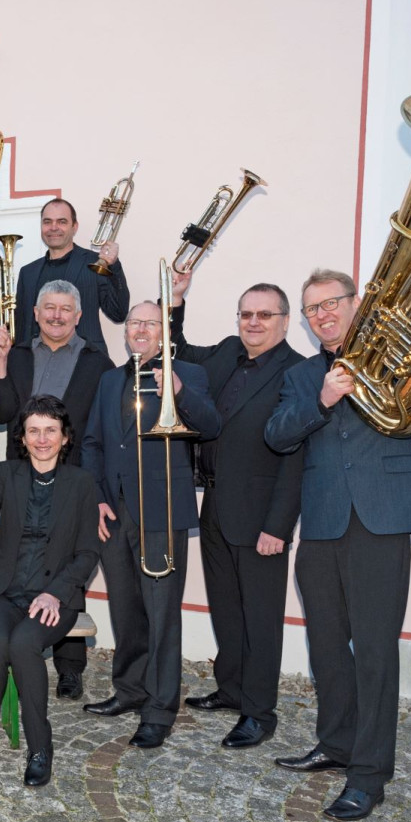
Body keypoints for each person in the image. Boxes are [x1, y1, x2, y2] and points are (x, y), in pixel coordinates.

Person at [265, 269, 411, 821]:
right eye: (311, 309)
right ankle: (337, 743)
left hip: (382, 517)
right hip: (321, 523)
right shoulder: (300, 376)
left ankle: (368, 775)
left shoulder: (397, 356)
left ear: (357, 303)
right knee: (325, 647)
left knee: (373, 651)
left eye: (330, 304)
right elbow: (277, 434)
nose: (321, 315)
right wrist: (320, 400)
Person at [166, 274, 305, 749]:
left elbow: (296, 458)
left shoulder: (299, 371)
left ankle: (259, 712)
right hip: (217, 506)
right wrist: (177, 299)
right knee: (226, 606)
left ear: (284, 323)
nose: (253, 322)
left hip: (262, 515)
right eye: (246, 313)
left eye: (264, 315)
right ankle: (231, 689)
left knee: (261, 617)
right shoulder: (227, 352)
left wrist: (278, 526)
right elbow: (177, 348)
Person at [81, 301, 220, 748]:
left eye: (150, 323)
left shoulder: (188, 375)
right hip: (115, 513)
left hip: (161, 513)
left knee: (162, 614)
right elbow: (91, 443)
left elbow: (211, 425)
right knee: (125, 608)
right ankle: (130, 690)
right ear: (126, 332)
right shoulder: (108, 380)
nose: (140, 329)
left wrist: (177, 389)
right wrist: (99, 500)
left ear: (165, 332)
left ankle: (160, 709)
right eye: (135, 322)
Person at [0, 279, 115, 700]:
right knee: (19, 555)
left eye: (65, 309)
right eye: (49, 308)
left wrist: (98, 493)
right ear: (37, 313)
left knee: (69, 563)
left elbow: (101, 432)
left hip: (74, 478)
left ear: (78, 316)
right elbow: (6, 412)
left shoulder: (98, 363)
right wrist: (1, 364)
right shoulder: (19, 354)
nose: (57, 315)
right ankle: (12, 639)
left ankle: (70, 667)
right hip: (21, 475)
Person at [0, 395, 99, 786]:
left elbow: (88, 551)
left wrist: (56, 592)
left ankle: (40, 747)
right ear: (22, 439)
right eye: (33, 431)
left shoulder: (82, 483)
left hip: (55, 595)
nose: (42, 439)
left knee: (25, 643)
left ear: (64, 438)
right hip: (0, 590)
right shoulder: (6, 474)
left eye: (51, 431)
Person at [12, 199, 127, 353]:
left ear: (74, 227)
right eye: (47, 222)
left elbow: (118, 313)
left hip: (85, 362)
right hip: (36, 364)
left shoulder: (95, 263)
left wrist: (114, 266)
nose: (53, 227)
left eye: (62, 222)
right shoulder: (28, 272)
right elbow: (22, 328)